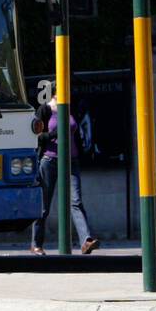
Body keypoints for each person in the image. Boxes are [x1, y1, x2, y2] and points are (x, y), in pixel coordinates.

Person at [31, 87, 100, 255]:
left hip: (71, 160)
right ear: (55, 92)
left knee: (76, 201)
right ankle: (36, 244)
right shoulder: (45, 110)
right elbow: (37, 136)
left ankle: (86, 241)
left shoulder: (70, 107)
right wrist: (55, 133)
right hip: (50, 160)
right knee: (44, 205)